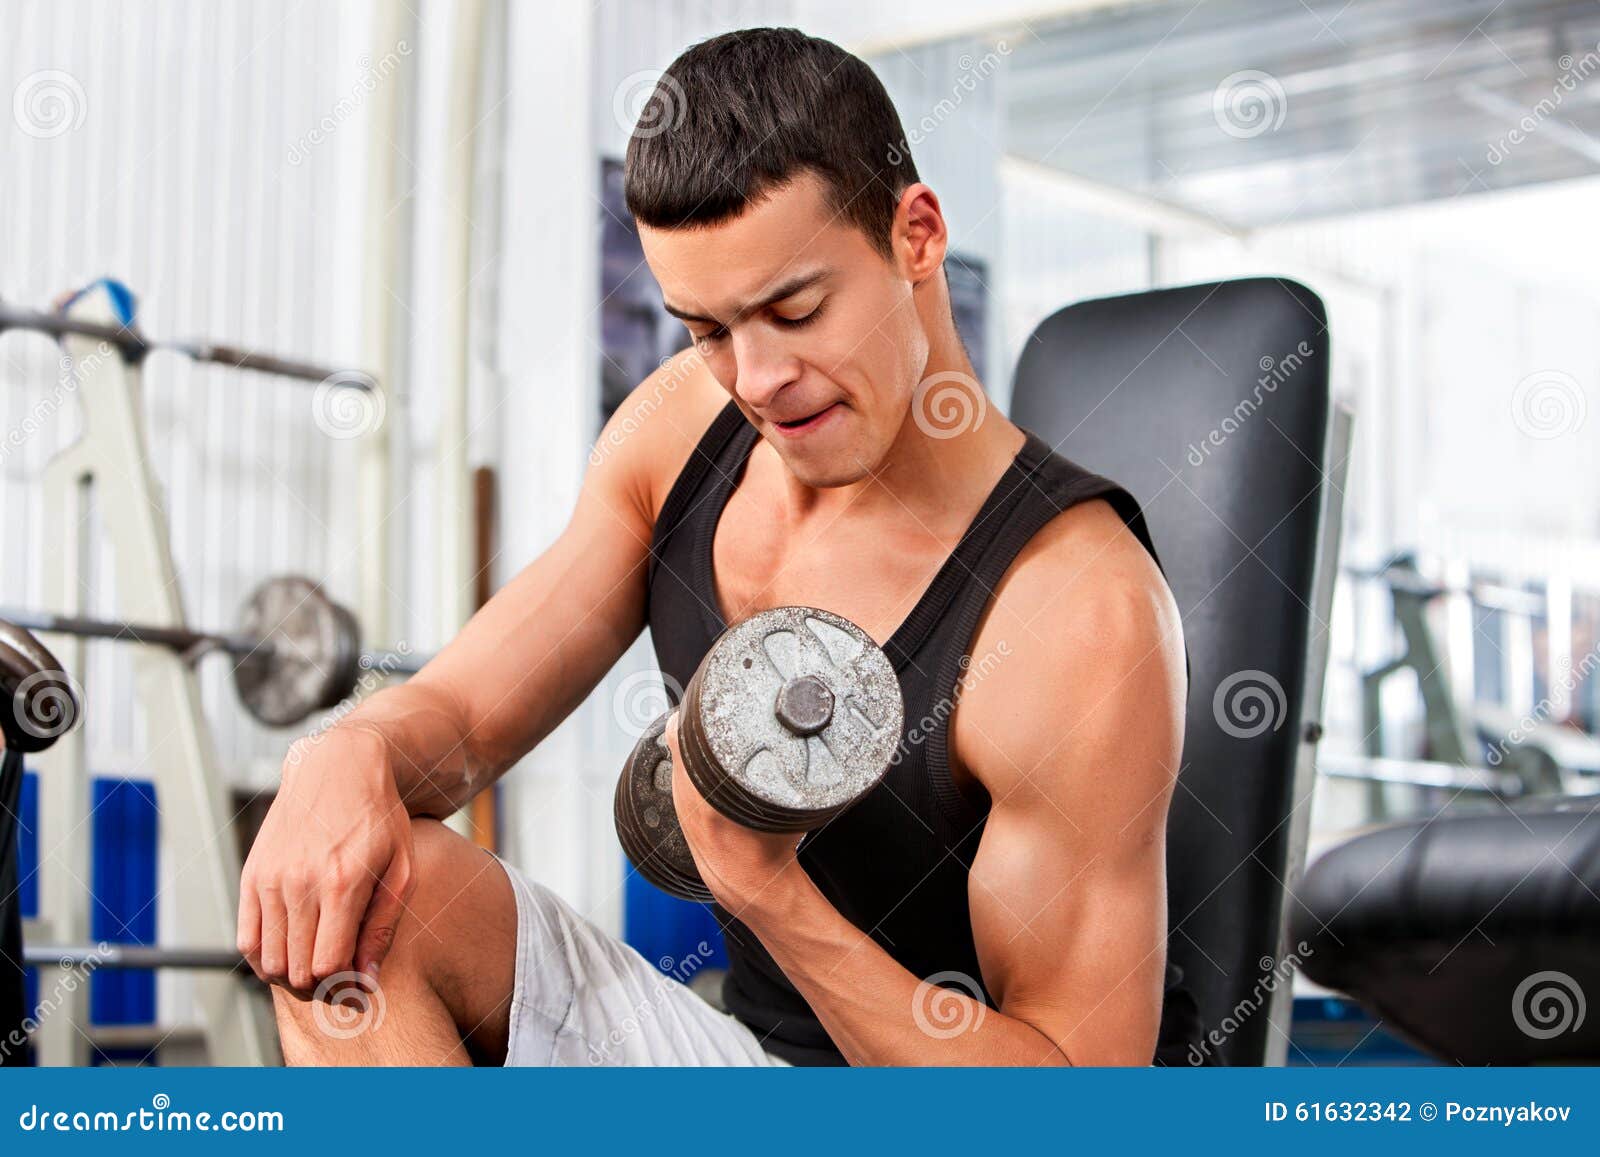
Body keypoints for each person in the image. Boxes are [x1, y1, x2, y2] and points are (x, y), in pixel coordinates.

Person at [239, 26, 1199, 1067]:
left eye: (796, 309)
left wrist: (768, 891)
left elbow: (1077, 1105)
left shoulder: (1076, 608)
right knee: (365, 912)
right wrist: (348, 752)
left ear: (915, 235)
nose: (756, 378)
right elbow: (466, 711)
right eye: (706, 329)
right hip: (742, 1064)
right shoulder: (679, 430)